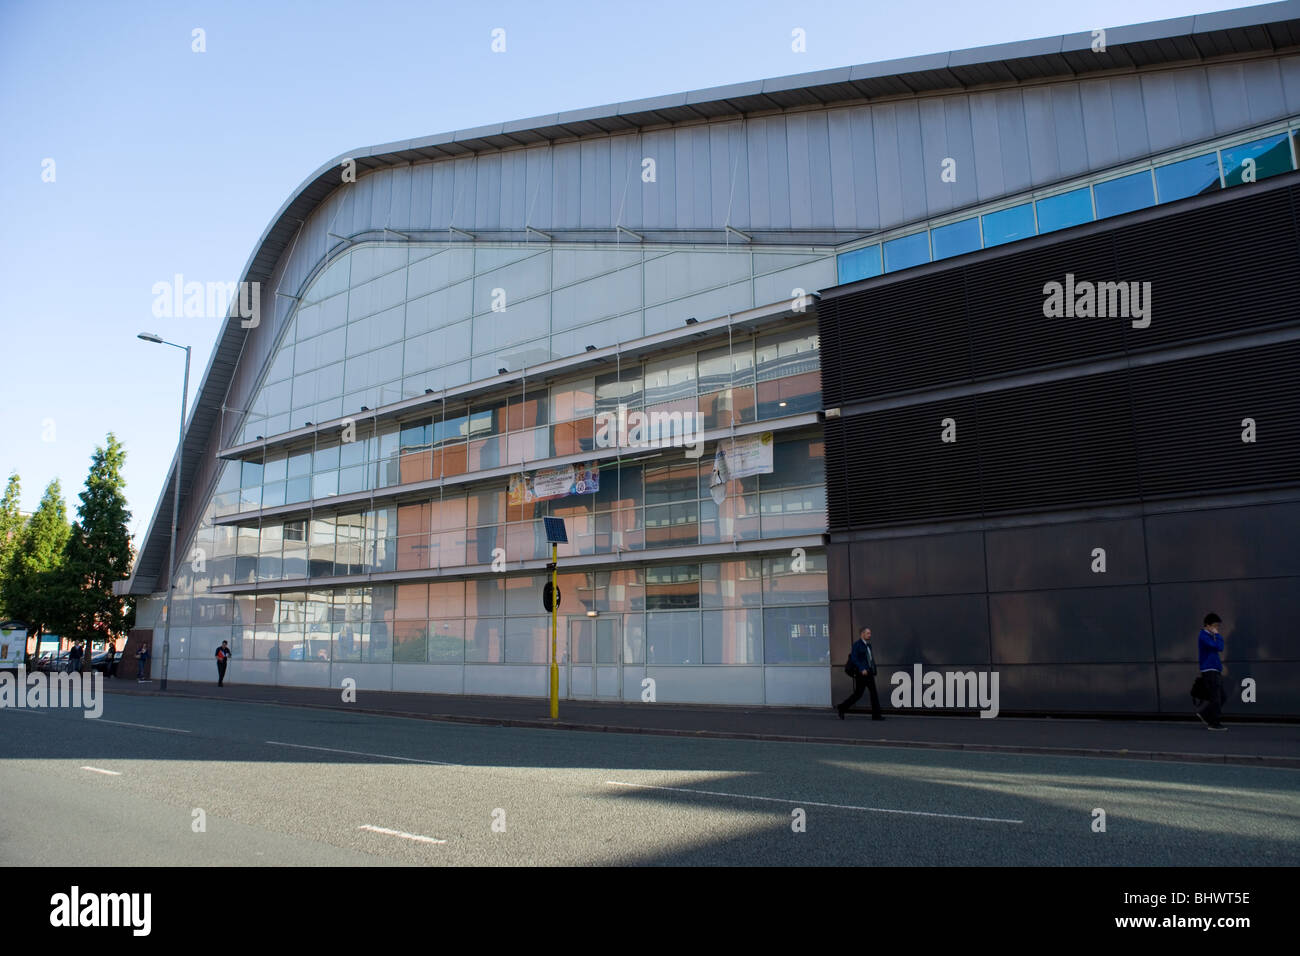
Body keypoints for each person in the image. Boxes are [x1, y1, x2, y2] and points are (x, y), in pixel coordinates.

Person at [836, 626, 883, 720]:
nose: (870, 635)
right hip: (861, 673)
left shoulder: (868, 645)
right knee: (859, 694)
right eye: (868, 633)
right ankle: (842, 707)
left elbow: (870, 659)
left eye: (870, 633)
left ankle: (876, 716)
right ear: (862, 634)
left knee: (869, 693)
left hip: (869, 673)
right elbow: (854, 658)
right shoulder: (857, 645)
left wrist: (873, 669)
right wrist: (862, 669)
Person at [1196, 613, 1228, 731]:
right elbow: (1217, 647)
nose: (1216, 628)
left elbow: (1220, 647)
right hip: (1209, 669)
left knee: (1222, 696)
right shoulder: (1203, 635)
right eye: (1215, 626)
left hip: (1215, 669)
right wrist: (1217, 635)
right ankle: (1214, 723)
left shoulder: (1211, 635)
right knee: (1216, 697)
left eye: (1218, 626)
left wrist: (1217, 636)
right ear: (1207, 625)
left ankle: (1205, 713)